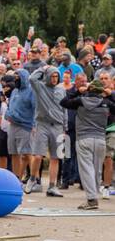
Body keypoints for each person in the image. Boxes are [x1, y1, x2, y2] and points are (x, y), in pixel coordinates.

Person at [60, 74, 115, 209]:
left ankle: (91, 199)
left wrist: (77, 91)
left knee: (86, 169)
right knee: (96, 170)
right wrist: (111, 94)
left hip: (84, 138)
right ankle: (93, 195)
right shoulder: (107, 103)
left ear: (89, 89)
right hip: (101, 139)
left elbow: (63, 102)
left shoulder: (80, 101)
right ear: (101, 91)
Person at [30, 65, 66, 197]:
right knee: (38, 155)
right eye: (52, 76)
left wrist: (65, 128)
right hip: (42, 124)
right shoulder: (40, 87)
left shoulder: (61, 89)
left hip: (58, 125)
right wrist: (43, 68)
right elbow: (31, 79)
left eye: (56, 76)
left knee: (56, 157)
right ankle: (33, 179)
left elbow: (64, 109)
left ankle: (52, 186)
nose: (55, 79)